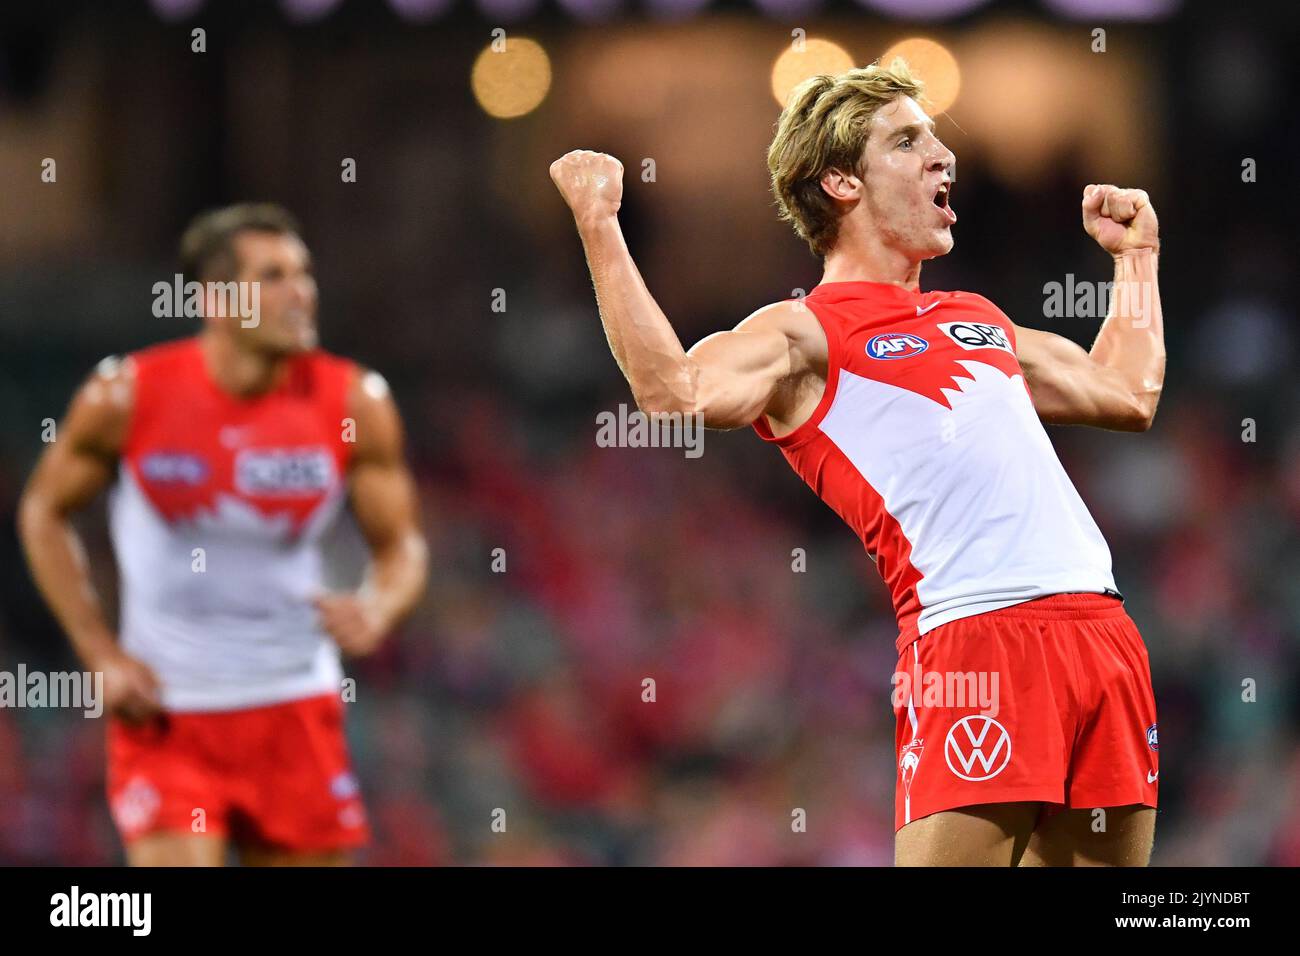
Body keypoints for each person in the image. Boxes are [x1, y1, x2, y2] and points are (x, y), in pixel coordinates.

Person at [549, 59, 1165, 866]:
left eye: (937, 138)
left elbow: (1127, 393)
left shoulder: (977, 318)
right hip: (974, 641)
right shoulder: (803, 333)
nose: (943, 156)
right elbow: (673, 393)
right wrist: (600, 224)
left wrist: (1138, 259)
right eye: (909, 141)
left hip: (1105, 636)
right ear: (840, 180)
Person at [18, 203, 428, 866]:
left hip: (295, 709)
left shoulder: (355, 403)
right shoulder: (126, 397)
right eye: (273, 276)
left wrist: (380, 605)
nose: (302, 293)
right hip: (169, 713)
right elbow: (43, 510)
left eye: (304, 273)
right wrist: (99, 652)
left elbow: (403, 544)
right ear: (213, 297)